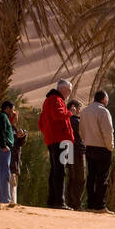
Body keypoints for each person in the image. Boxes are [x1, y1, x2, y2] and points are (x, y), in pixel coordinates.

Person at [38, 79, 73, 209]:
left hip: (53, 139)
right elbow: (57, 115)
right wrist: (70, 113)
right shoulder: (56, 100)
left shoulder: (48, 101)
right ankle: (59, 201)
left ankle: (52, 200)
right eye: (69, 90)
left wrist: (48, 133)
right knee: (60, 171)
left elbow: (41, 123)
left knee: (55, 170)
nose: (70, 92)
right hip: (60, 140)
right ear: (62, 89)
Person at [78, 90, 115, 213]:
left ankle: (91, 205)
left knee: (91, 176)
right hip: (103, 148)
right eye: (107, 98)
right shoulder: (103, 111)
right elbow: (108, 132)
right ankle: (100, 206)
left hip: (89, 147)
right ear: (104, 99)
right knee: (102, 178)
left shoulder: (84, 111)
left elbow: (81, 131)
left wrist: (87, 140)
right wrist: (110, 147)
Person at [65, 98, 86, 211]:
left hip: (67, 150)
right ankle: (76, 204)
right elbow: (83, 135)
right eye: (79, 108)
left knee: (71, 178)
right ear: (75, 108)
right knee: (80, 178)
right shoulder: (76, 121)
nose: (80, 110)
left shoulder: (66, 120)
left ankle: (70, 202)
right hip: (77, 151)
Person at [7, 106, 26, 206]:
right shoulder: (7, 129)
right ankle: (11, 202)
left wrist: (23, 135)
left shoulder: (14, 129)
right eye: (14, 118)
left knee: (14, 183)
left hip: (15, 161)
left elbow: (20, 142)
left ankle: (13, 202)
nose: (16, 120)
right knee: (11, 182)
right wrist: (17, 136)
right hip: (10, 161)